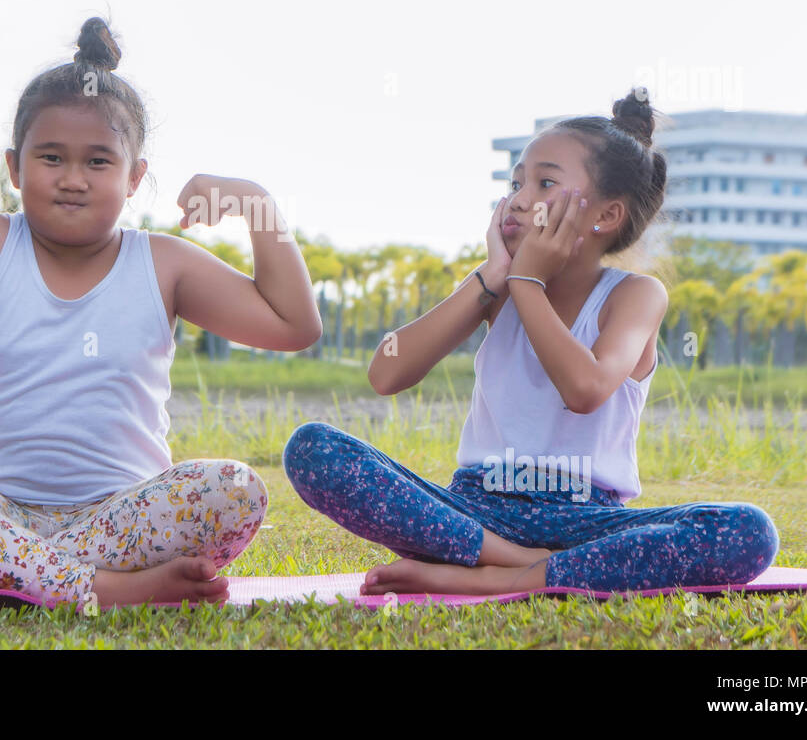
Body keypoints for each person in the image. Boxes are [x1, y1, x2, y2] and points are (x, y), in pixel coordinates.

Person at [0, 17, 322, 611]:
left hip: (123, 522)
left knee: (234, 489)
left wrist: (256, 203)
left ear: (135, 178)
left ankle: (5, 582)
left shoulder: (163, 263)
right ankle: (98, 592)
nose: (73, 179)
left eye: (99, 162)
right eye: (51, 157)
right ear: (16, 165)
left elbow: (293, 325)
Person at [283, 90, 779, 596]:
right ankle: (519, 563)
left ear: (605, 216)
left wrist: (527, 284)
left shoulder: (634, 296)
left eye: (544, 182)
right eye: (515, 181)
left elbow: (585, 390)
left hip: (587, 521)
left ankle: (493, 576)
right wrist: (494, 278)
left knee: (746, 531)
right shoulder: (493, 285)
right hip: (477, 512)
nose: (518, 198)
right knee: (314, 449)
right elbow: (386, 373)